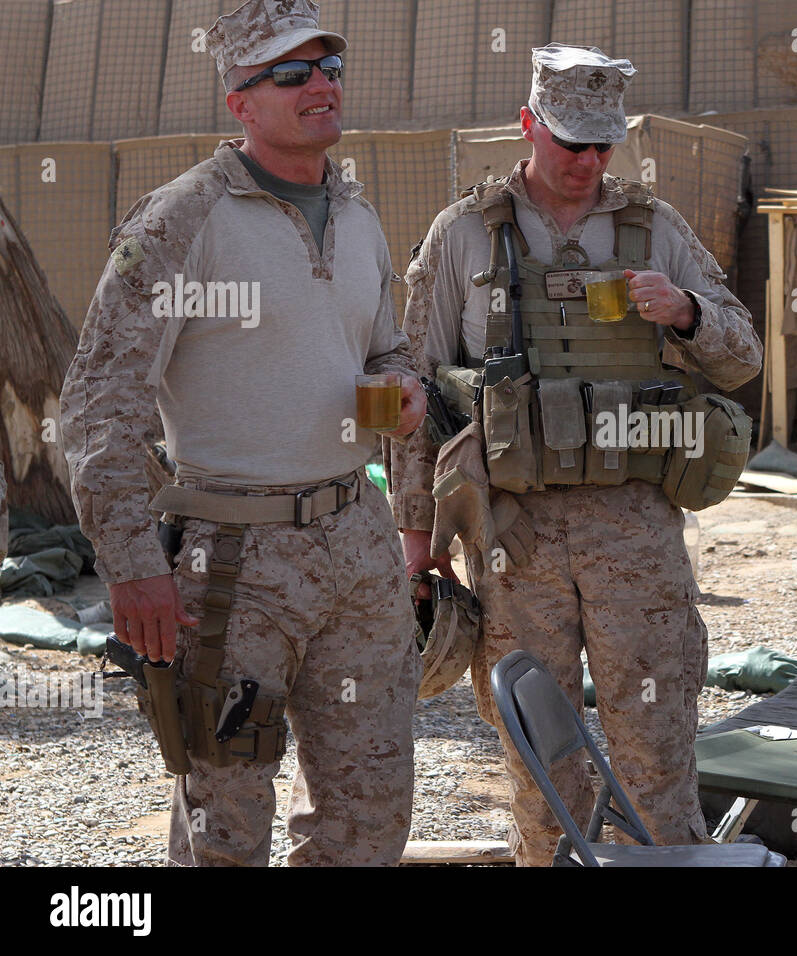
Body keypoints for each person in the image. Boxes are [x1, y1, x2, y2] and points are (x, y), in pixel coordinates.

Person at [59, 0, 425, 866]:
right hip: (230, 564)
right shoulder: (181, 220)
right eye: (290, 73)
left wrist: (403, 387)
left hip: (355, 541)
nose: (320, 86)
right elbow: (99, 400)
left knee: (369, 817)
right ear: (240, 100)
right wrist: (133, 564)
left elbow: (391, 346)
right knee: (227, 823)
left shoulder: (359, 212)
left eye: (328, 66)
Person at [390, 43, 762, 866]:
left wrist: (689, 313)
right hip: (512, 535)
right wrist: (418, 545)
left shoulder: (654, 228)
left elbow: (744, 357)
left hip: (635, 527)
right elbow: (414, 395)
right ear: (529, 126)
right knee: (537, 759)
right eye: (571, 143)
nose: (589, 163)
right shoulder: (463, 235)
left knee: (656, 749)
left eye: (604, 145)